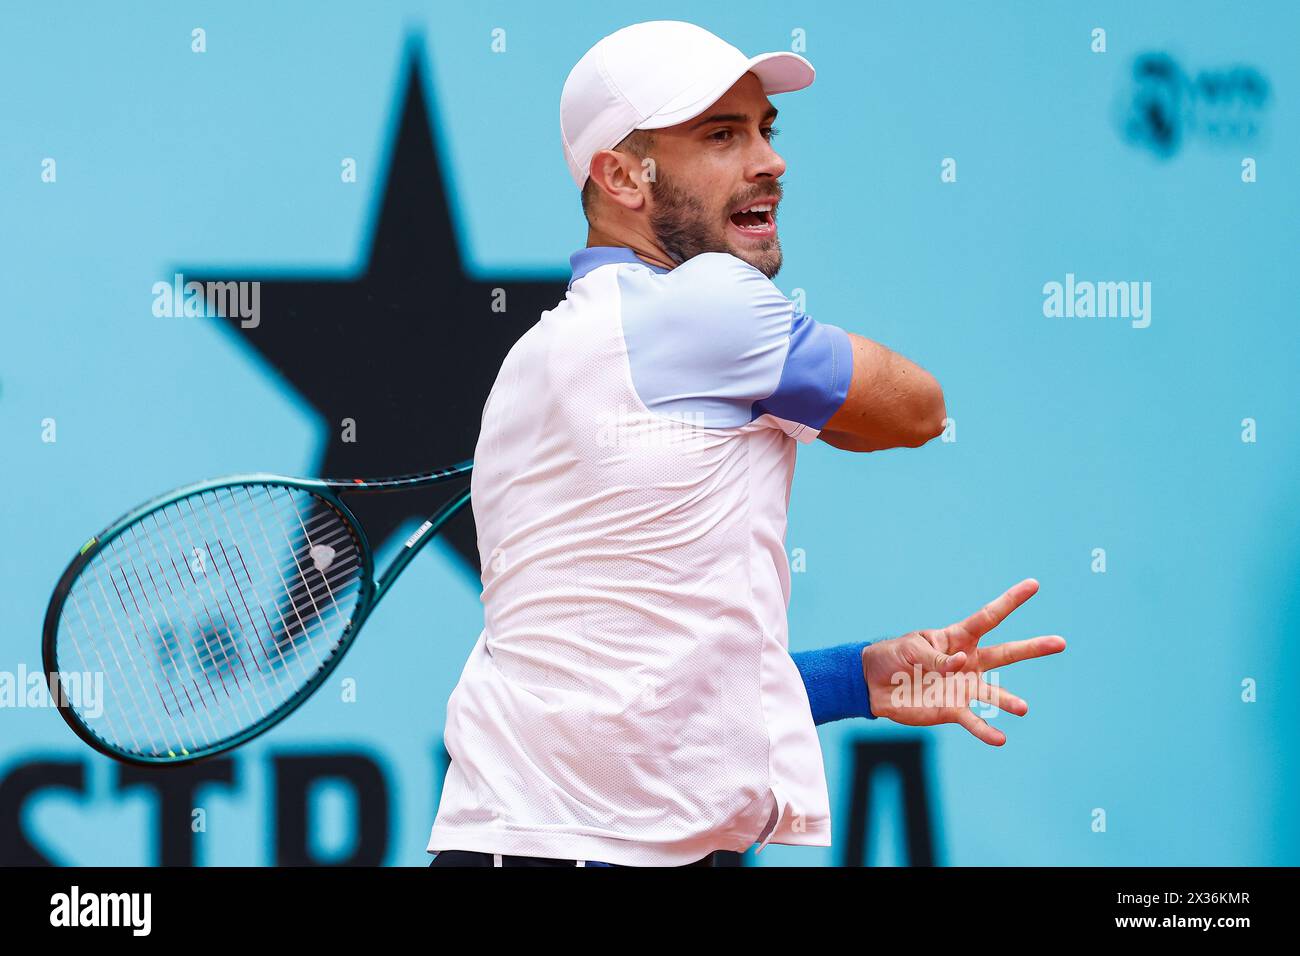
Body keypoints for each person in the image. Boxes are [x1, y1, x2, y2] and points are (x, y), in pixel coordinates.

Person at [428, 20, 1064, 868]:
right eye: (721, 135)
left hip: (529, 844)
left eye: (766, 129)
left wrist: (861, 680)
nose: (770, 161)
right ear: (621, 176)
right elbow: (916, 412)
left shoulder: (535, 360)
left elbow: (643, 691)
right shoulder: (710, 308)